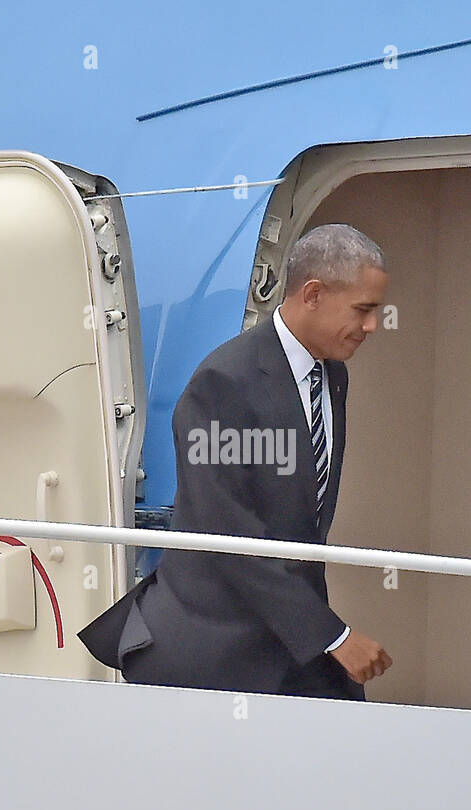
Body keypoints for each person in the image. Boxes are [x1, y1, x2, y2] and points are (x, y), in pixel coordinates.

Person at [78, 223, 394, 700]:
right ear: (312, 294)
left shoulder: (332, 376)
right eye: (363, 310)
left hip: (292, 639)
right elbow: (225, 533)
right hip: (217, 648)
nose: (372, 326)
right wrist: (334, 637)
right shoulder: (225, 383)